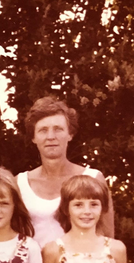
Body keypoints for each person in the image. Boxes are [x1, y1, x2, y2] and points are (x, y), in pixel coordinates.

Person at [16, 96, 114, 248]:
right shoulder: (20, 183)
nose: (51, 137)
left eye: (58, 129)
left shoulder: (93, 178)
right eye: (43, 130)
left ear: (70, 134)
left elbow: (107, 238)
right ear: (33, 138)